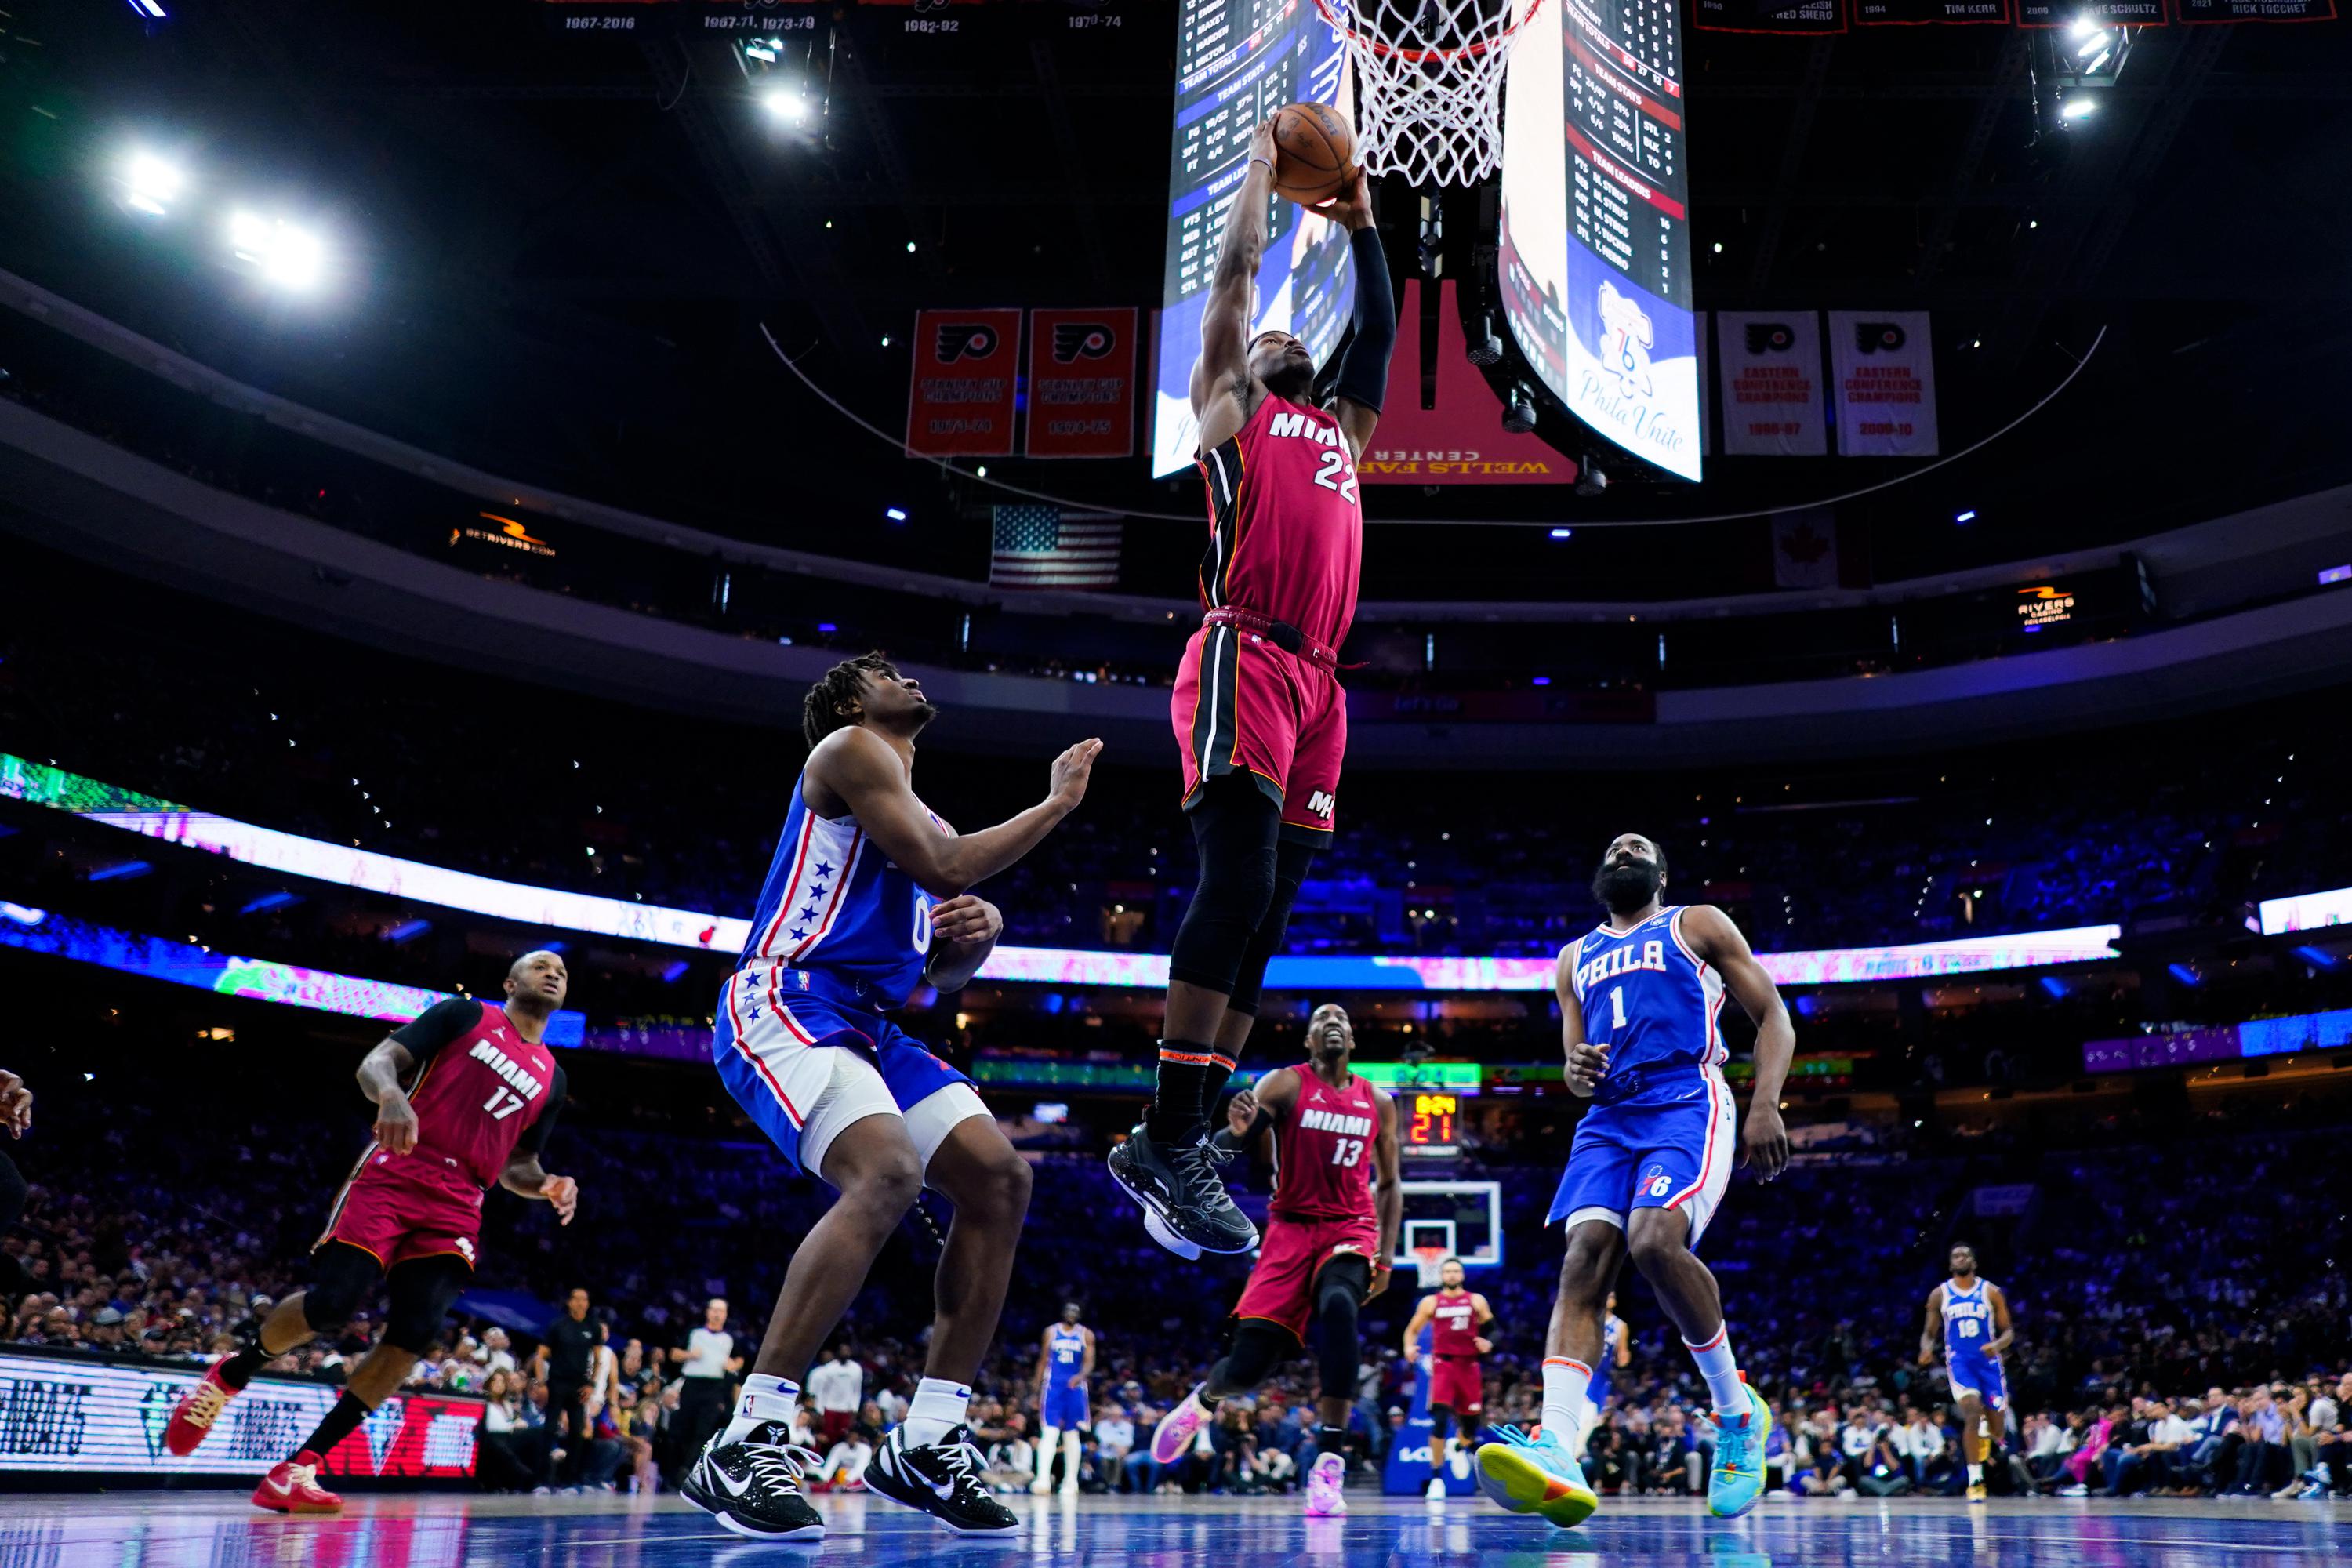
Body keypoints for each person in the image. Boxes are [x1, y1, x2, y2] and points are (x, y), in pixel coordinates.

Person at [681, 653, 1100, 1541]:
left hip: (871, 1019)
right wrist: (1055, 803)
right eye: (883, 671)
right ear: (845, 700)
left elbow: (934, 974)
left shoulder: (919, 810)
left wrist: (974, 942)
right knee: (888, 1172)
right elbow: (949, 865)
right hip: (789, 995)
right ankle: (748, 1431)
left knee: (999, 1178)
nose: (907, 679)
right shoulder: (850, 747)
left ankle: (928, 1435)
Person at [1108, 115, 1396, 1262]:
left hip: (1323, 686)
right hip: (1246, 654)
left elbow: (1377, 323)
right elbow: (1233, 276)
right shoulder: (1234, 412)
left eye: (1292, 332)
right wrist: (1259, 183)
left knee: (1274, 913)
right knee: (1234, 883)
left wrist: (1364, 222)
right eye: (1266, 331)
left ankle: (1170, 1137)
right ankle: (1172, 1132)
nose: (1278, 330)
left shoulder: (1344, 430)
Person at [162, 952, 578, 1513]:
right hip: (399, 1170)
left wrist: (548, 1184)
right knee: (333, 1305)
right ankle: (229, 1374)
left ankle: (298, 1468)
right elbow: (376, 1063)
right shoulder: (465, 1015)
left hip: (460, 1203)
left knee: (415, 1332)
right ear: (510, 982)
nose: (553, 973)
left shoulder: (553, 1077)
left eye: (561, 971)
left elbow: (517, 1167)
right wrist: (392, 1094)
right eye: (540, 965)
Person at [1476, 835, 1793, 1529]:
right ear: (1599, 872)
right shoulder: (1572, 959)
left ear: (1661, 873)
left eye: (1639, 846)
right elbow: (1571, 1061)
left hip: (1685, 1098)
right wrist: (1575, 1072)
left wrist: (1766, 1102)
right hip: (1609, 1116)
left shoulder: (1695, 923)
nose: (1623, 846)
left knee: (1653, 1243)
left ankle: (1738, 1415)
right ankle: (1558, 1444)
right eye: (1614, 845)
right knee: (1582, 1260)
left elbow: (1773, 1015)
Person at [1145, 1004, 1403, 1517]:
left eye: (1340, 1018)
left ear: (1352, 1038)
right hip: (1290, 1231)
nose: (1332, 1020)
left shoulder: (1379, 1100)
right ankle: (1205, 1401)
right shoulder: (1285, 1084)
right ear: (1308, 1041)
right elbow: (1230, 1141)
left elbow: (1391, 1183)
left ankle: (1329, 1462)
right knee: (1245, 1371)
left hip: (1350, 1228)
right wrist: (1236, 1133)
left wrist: (1387, 1258)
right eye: (1321, 1018)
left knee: (1338, 1305)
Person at [1920, 1241, 2013, 1502]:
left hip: (1989, 1364)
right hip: (1960, 1363)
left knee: (1998, 1429)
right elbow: (1928, 1333)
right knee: (1971, 1414)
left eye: (1965, 1255)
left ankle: (1986, 1429)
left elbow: (2009, 1332)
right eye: (1955, 1256)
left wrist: (1997, 1345)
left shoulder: (1991, 1292)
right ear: (1950, 1264)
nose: (1960, 1258)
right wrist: (1926, 1349)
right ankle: (1975, 1481)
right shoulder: (1940, 1294)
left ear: (1974, 1262)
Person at [1400, 1257, 1494, 1501]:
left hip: (1469, 1365)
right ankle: (1437, 1479)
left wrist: (1488, 1341)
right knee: (1440, 1419)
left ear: (1462, 1275)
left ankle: (1459, 1447)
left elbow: (1493, 1327)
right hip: (1443, 1364)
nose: (1452, 1275)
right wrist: (1409, 1347)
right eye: (1448, 1271)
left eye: (1456, 1271)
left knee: (1471, 1427)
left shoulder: (1476, 1300)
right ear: (1441, 1276)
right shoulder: (1431, 1302)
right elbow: (1411, 1329)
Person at [667, 1297, 742, 1486]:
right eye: (714, 1310)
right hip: (692, 1384)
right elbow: (674, 1354)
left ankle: (687, 1470)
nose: (717, 1314)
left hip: (714, 1387)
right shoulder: (694, 1333)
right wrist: (690, 1355)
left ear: (725, 1315)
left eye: (721, 1311)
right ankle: (674, 1471)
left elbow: (740, 1360)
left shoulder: (729, 1339)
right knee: (683, 1428)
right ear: (707, 1312)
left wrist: (733, 1364)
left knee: (704, 1430)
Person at [535, 1289, 600, 1485]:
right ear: (570, 1302)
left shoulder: (593, 1327)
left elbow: (598, 1359)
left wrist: (592, 1384)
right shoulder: (558, 1325)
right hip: (557, 1383)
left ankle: (569, 1480)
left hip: (579, 1386)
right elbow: (540, 1356)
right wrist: (542, 1383)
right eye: (577, 1299)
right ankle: (542, 1479)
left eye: (584, 1300)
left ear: (588, 1304)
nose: (580, 1303)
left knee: (577, 1432)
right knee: (550, 1429)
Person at [1031, 1301, 1096, 1496]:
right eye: (1069, 1310)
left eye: (1076, 1311)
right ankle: (1042, 1480)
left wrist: (1081, 1375)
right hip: (1053, 1387)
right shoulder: (1050, 1332)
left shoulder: (1086, 1334)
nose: (1072, 1314)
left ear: (1080, 1315)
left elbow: (1089, 1362)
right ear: (1062, 1313)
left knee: (1072, 1434)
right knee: (1049, 1433)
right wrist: (1036, 1386)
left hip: (1075, 1389)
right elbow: (1043, 1359)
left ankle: (1070, 1482)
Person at [1577, 1292, 1632, 1457]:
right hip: (1584, 1371)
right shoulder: (1588, 1319)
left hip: (1602, 1377)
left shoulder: (1620, 1325)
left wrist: (1623, 1358)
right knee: (1581, 1414)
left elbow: (1623, 1356)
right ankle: (1576, 1451)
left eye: (1612, 1297)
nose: (1609, 1299)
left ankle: (1584, 1453)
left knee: (1594, 1416)